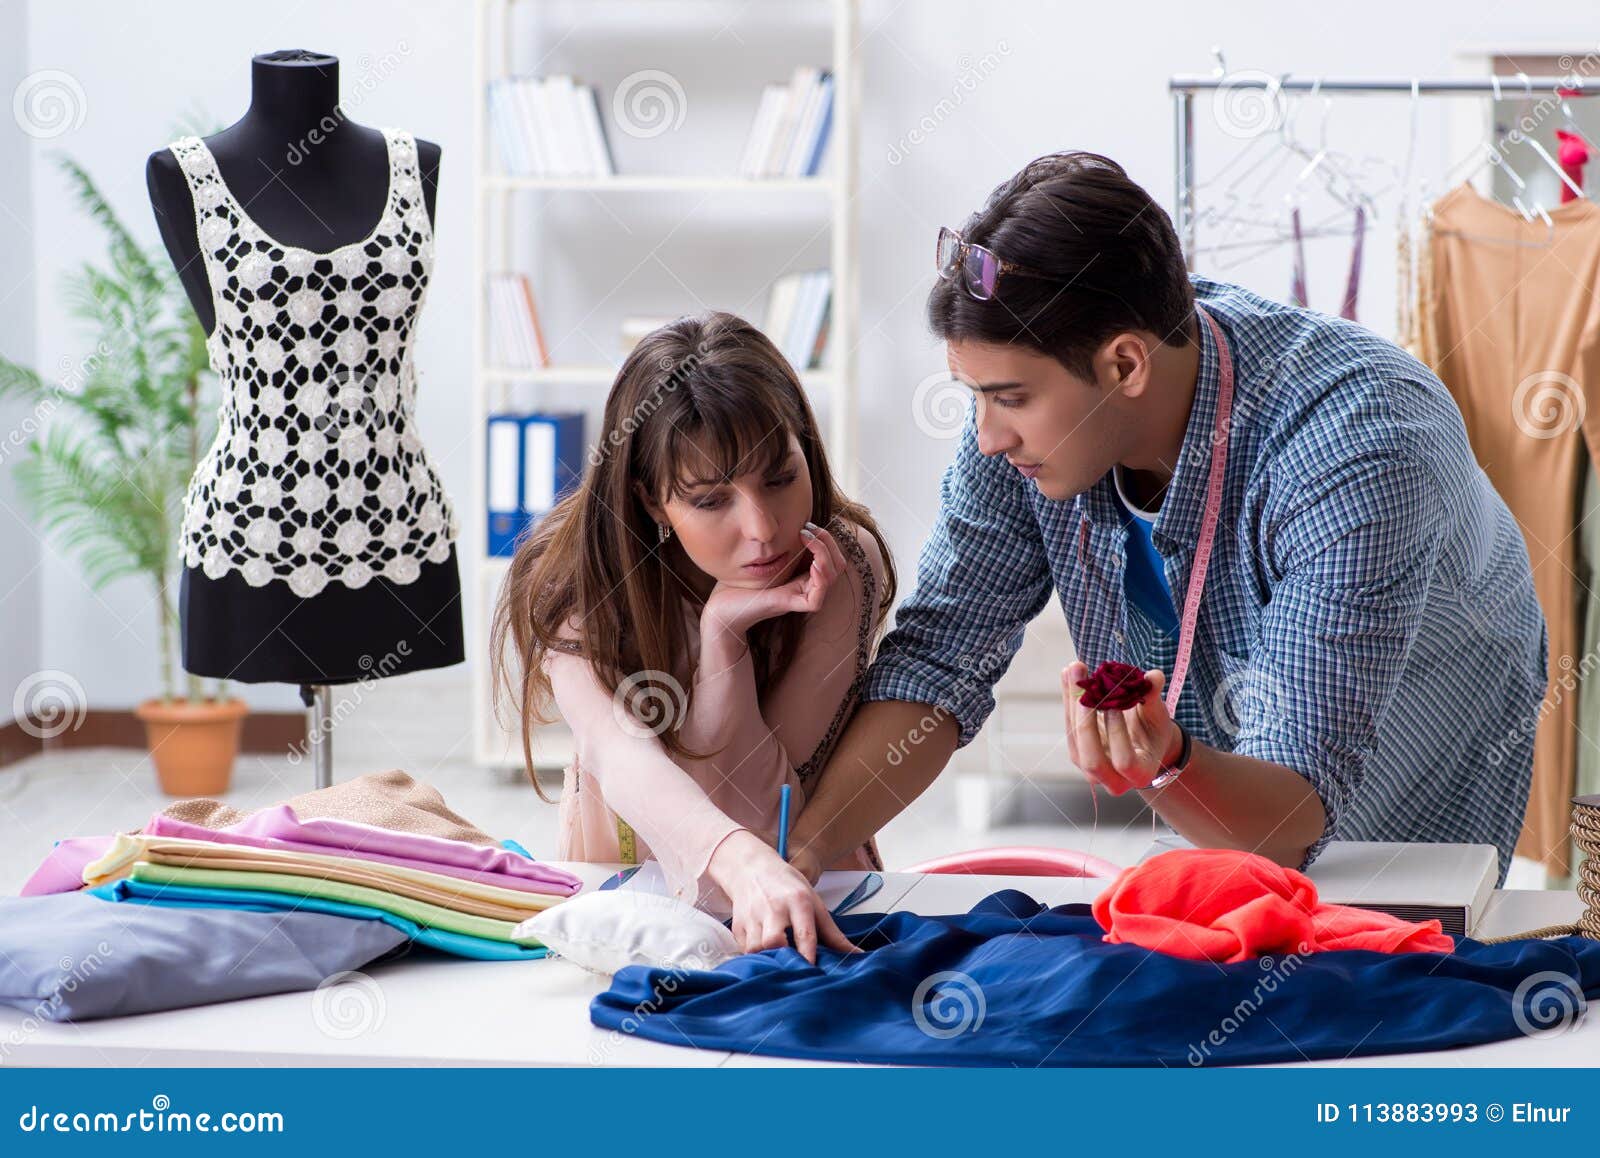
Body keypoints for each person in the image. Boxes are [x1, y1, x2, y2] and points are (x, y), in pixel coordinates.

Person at [777, 151, 1545, 919]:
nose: (985, 437)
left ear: (1124, 364)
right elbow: (940, 659)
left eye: (1008, 398)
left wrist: (1171, 762)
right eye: (974, 395)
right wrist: (797, 856)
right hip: (1246, 755)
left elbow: (1286, 819)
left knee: (1385, 957)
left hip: (1426, 714)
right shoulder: (1020, 419)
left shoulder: (1361, 445)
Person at [491, 311, 894, 962]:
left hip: (800, 875)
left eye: (780, 477)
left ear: (806, 447)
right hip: (626, 868)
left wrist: (724, 645)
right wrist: (720, 632)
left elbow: (760, 808)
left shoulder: (840, 564)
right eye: (710, 500)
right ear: (653, 501)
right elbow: (620, 753)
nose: (762, 528)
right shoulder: (573, 581)